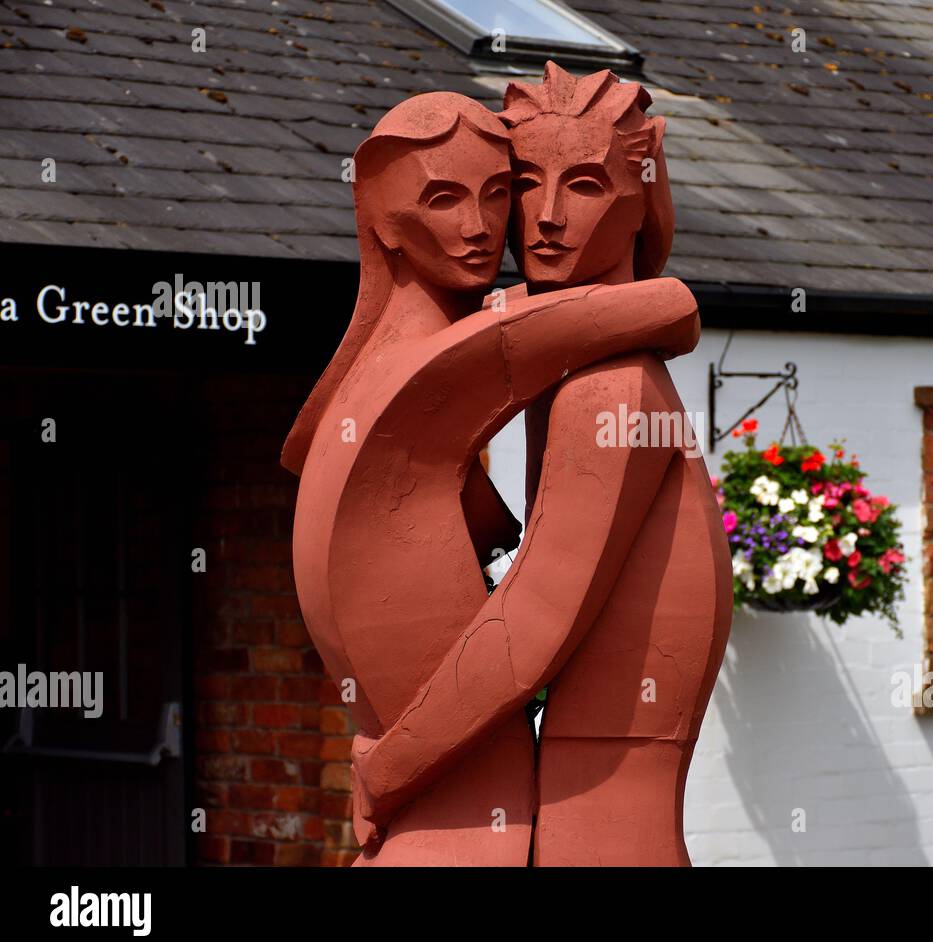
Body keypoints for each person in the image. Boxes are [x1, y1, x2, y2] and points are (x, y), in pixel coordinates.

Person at [284, 90, 702, 865]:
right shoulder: (567, 368)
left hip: (599, 830)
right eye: (528, 183)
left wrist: (386, 768)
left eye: (583, 185)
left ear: (643, 198)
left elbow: (537, 620)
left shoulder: (610, 390)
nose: (539, 219)